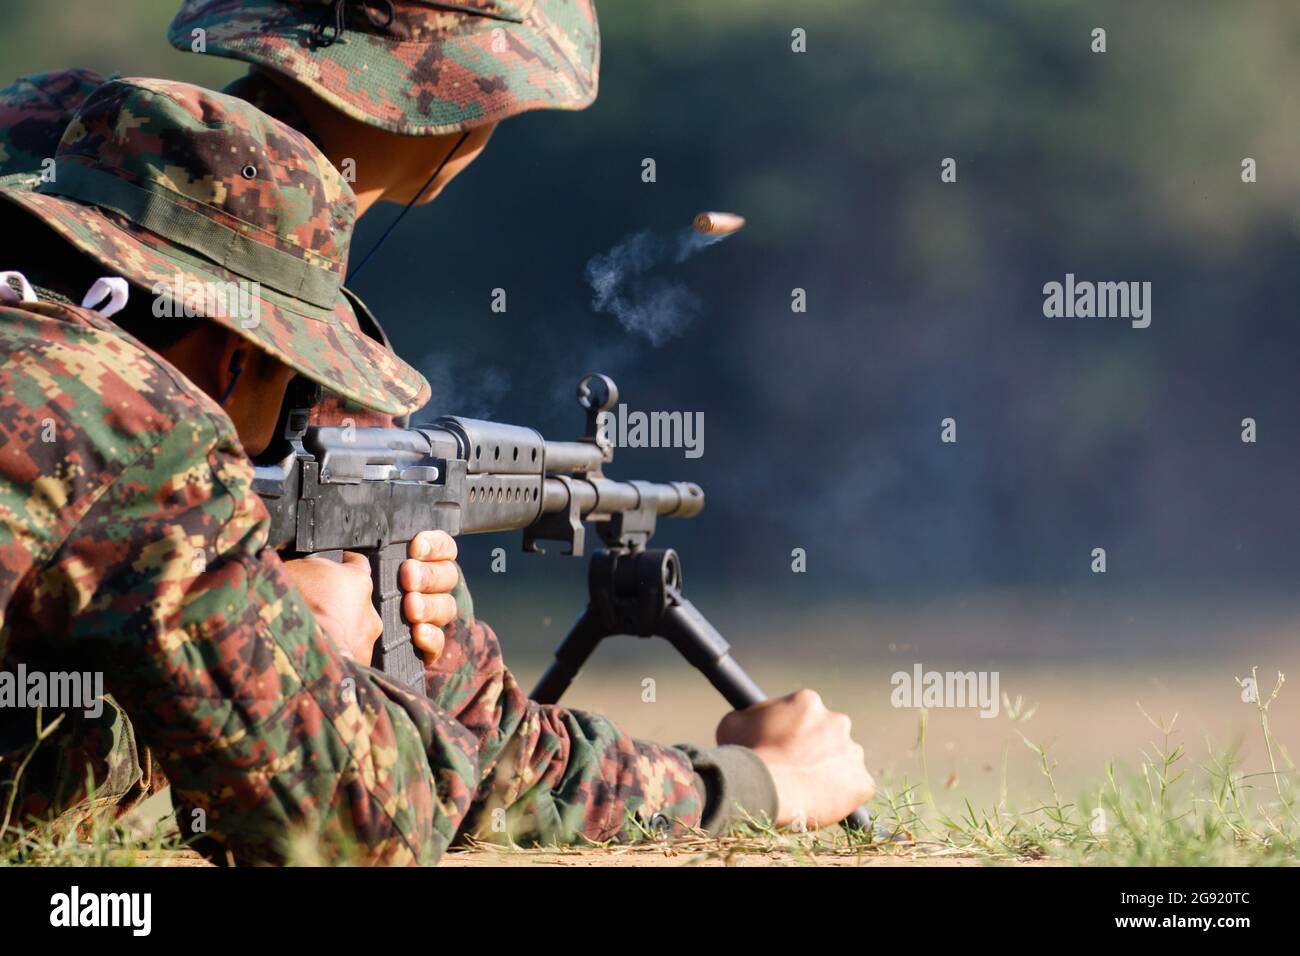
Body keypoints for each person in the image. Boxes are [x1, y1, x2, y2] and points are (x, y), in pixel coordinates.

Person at [0, 0, 875, 847]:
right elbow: (378, 816)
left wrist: (231, 614)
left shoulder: (59, 139)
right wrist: (297, 656)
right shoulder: (152, 427)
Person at [0, 76, 482, 863]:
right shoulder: (145, 421)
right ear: (235, 358)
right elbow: (357, 831)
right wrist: (317, 655)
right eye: (289, 384)